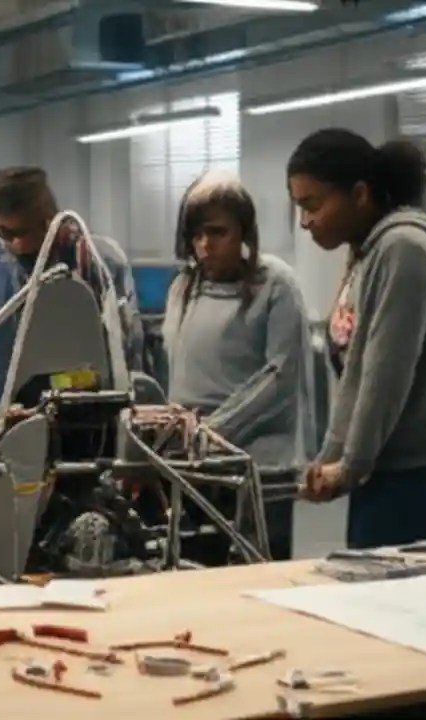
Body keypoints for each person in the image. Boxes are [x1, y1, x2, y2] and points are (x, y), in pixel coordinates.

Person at [287, 128, 426, 549]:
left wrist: (351, 465)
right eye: (298, 208)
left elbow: (385, 374)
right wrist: (332, 459)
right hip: (386, 467)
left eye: (313, 205)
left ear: (359, 194)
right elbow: (354, 377)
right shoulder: (364, 253)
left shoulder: (404, 249)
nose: (305, 221)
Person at [162, 170, 315, 561]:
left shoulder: (276, 285)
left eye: (217, 233)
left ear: (244, 232)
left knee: (257, 574)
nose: (205, 245)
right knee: (195, 570)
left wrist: (214, 429)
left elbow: (280, 376)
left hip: (258, 467)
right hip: (196, 462)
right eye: (196, 235)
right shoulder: (184, 287)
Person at [0, 166, 144, 431]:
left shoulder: (101, 262)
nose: (16, 245)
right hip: (11, 423)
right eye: (4, 232)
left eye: (24, 233)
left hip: (92, 421)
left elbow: (129, 350)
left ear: (51, 221)